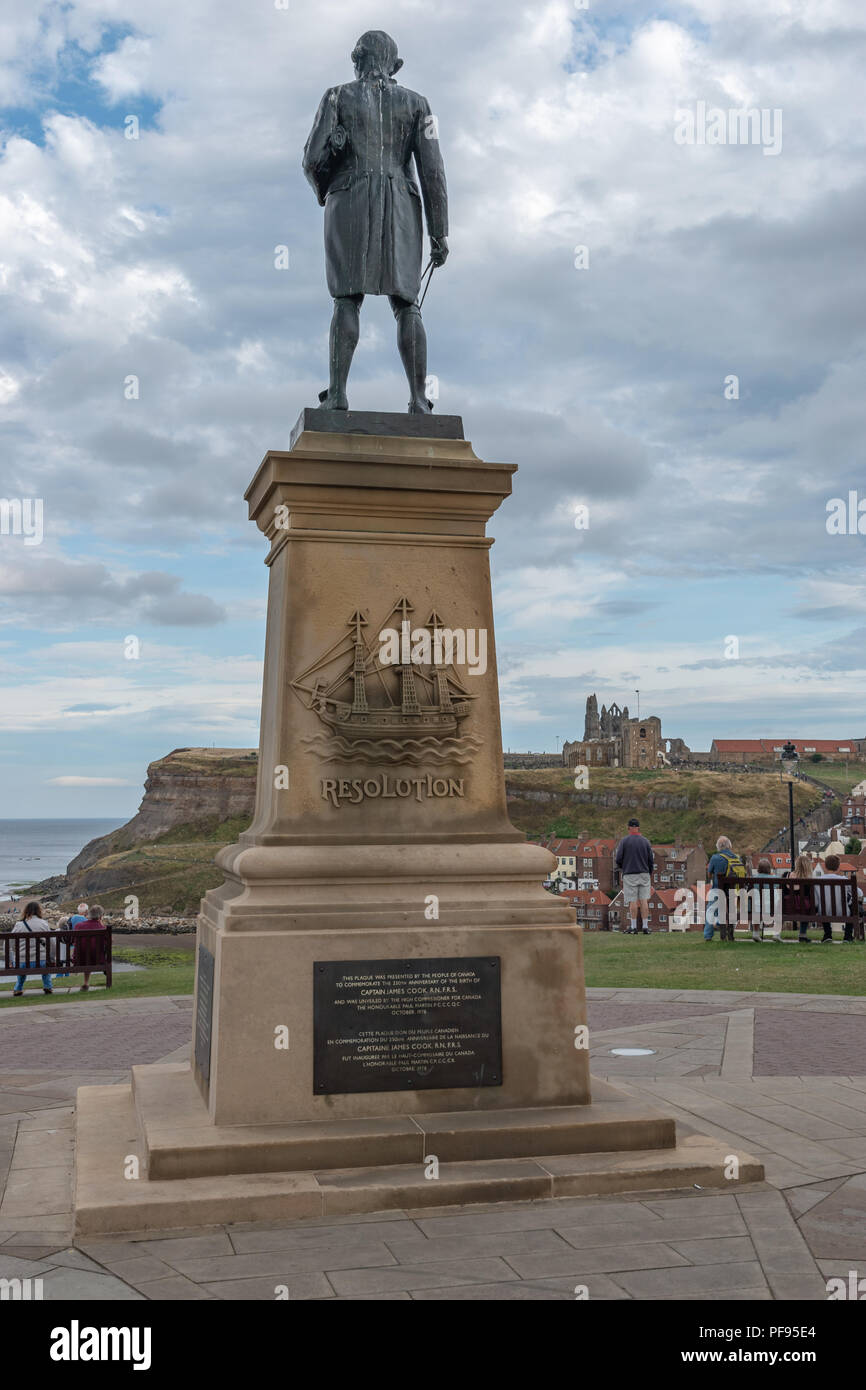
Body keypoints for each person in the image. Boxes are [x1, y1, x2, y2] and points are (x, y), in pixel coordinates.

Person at [303, 30, 449, 413]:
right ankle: (418, 400)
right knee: (407, 304)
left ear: (356, 59)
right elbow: (433, 172)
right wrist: (439, 231)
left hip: (349, 199)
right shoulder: (419, 104)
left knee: (346, 300)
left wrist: (326, 187)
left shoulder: (337, 96)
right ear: (395, 65)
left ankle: (337, 395)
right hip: (402, 201)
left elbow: (310, 159)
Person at [614, 818, 655, 935]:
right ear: (638, 828)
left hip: (630, 873)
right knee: (644, 900)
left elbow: (618, 859)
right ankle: (646, 927)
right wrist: (649, 872)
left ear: (628, 828)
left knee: (632, 900)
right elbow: (650, 860)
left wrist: (624, 868)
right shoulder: (645, 841)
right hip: (644, 873)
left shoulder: (624, 841)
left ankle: (633, 927)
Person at [705, 836, 746, 942]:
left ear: (718, 847)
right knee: (728, 907)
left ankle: (708, 935)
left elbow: (709, 875)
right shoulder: (737, 858)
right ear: (729, 846)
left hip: (718, 891)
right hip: (734, 893)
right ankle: (728, 931)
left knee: (710, 910)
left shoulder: (715, 858)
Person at [11, 901, 54, 996]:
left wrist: (14, 954)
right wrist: (52, 956)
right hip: (42, 961)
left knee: (20, 961)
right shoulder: (44, 924)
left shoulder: (19, 925)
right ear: (39, 911)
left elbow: (11, 942)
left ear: (26, 911)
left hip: (22, 962)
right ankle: (48, 986)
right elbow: (51, 942)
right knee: (46, 963)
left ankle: (18, 988)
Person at [816, 855, 855, 944]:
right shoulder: (844, 880)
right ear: (838, 867)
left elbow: (816, 901)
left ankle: (827, 935)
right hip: (843, 912)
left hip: (823, 912)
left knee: (824, 906)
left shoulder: (818, 880)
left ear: (825, 867)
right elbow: (858, 893)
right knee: (853, 907)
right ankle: (847, 936)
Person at [73, 904, 107, 990]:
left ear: (89, 914)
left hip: (79, 958)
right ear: (101, 916)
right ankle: (105, 970)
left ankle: (86, 983)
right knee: (94, 952)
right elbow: (108, 943)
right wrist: (101, 923)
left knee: (87, 952)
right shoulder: (102, 928)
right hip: (97, 959)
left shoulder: (78, 926)